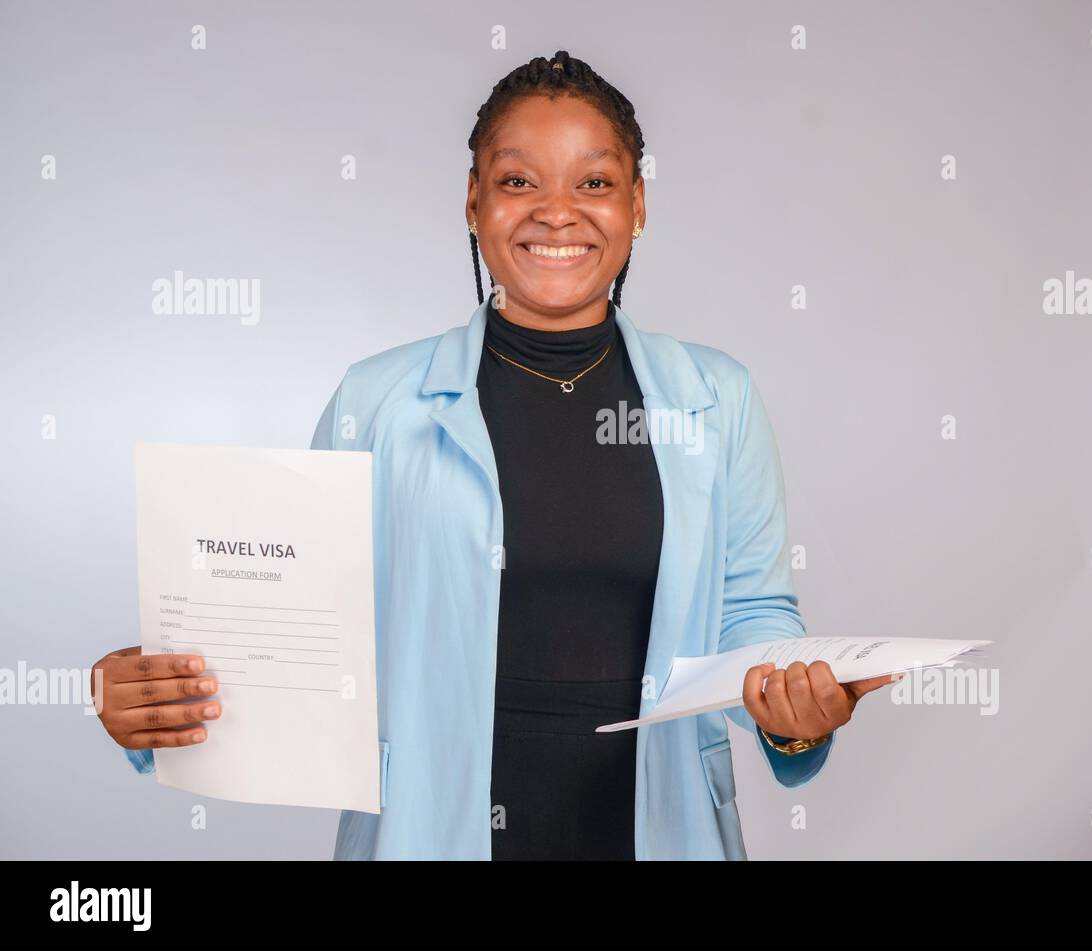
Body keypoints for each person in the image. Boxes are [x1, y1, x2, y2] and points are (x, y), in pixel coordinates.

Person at [93, 50, 894, 860]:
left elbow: (754, 621)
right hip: (426, 834)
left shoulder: (718, 400)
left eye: (594, 182)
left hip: (657, 831)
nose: (556, 212)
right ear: (473, 202)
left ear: (638, 205)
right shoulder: (376, 401)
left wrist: (795, 716)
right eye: (518, 182)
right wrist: (153, 707)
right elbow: (296, 633)